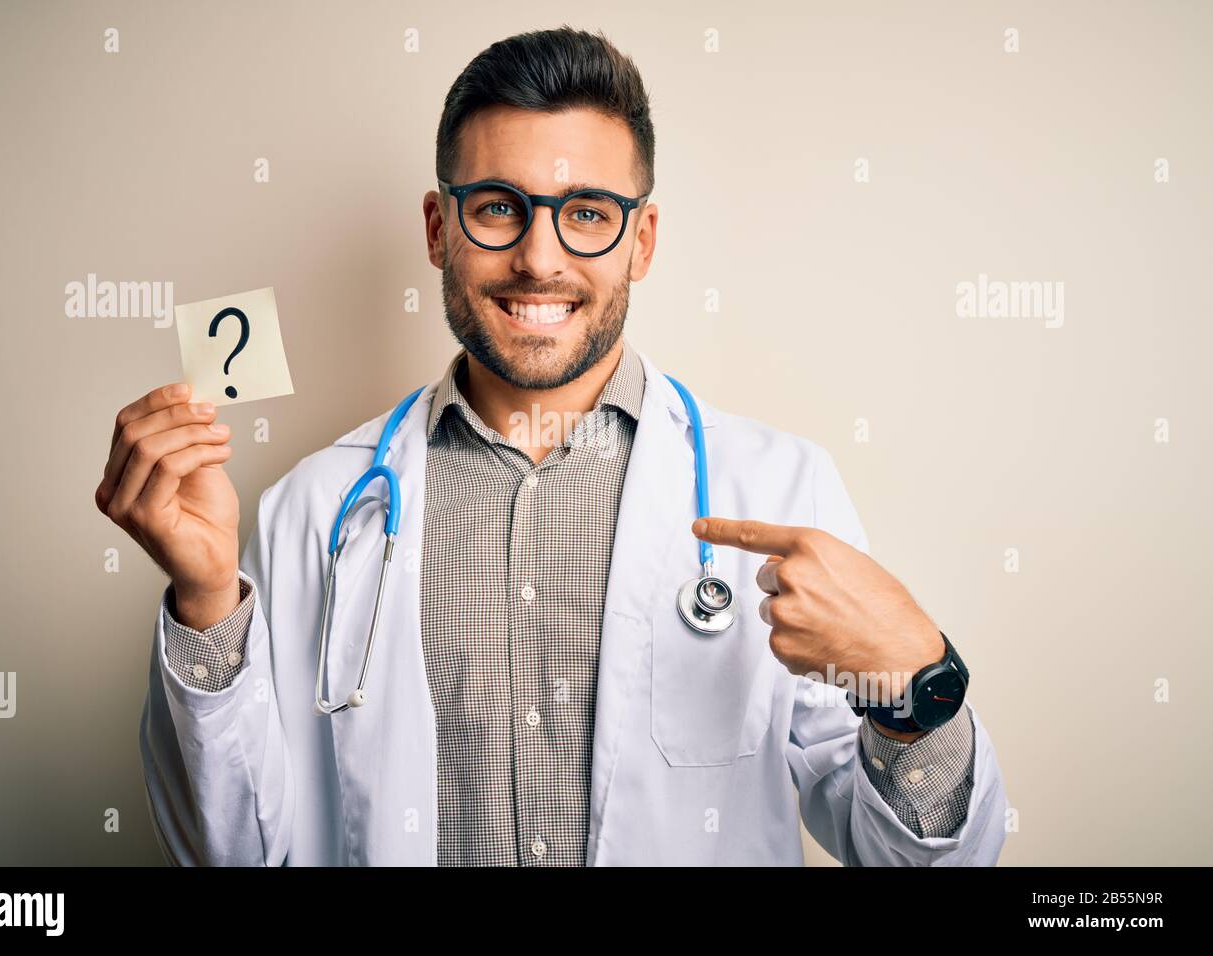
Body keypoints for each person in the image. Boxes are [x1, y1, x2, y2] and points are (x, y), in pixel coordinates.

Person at [95, 26, 1007, 866]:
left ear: (640, 240)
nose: (540, 257)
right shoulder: (313, 509)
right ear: (438, 228)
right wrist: (208, 601)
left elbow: (920, 862)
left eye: (586, 212)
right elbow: (233, 855)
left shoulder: (779, 489)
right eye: (499, 207)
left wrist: (915, 683)